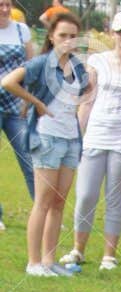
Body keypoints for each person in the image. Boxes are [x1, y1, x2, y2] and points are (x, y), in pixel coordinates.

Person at [62, 11, 121, 272]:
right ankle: (78, 249)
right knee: (86, 195)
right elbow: (87, 101)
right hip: (95, 135)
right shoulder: (97, 60)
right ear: (113, 33)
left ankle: (109, 255)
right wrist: (76, 137)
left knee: (116, 198)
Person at [3, 8, 89, 275]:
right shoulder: (41, 63)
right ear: (51, 36)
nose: (68, 40)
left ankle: (49, 261)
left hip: (71, 138)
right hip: (47, 137)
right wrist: (36, 102)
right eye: (63, 35)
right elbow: (8, 82)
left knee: (59, 202)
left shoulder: (77, 66)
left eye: (73, 36)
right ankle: (34, 262)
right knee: (43, 201)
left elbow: (84, 91)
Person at [0, 0, 35, 234]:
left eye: (7, 4)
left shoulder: (22, 30)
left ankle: (44, 211)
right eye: (0, 5)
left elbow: (31, 66)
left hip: (17, 107)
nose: (4, 9)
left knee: (31, 161)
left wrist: (27, 99)